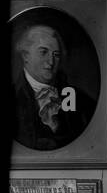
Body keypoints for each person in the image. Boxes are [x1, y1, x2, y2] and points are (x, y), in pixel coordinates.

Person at [12, 22, 97, 151]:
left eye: (56, 55)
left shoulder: (81, 100)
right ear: (25, 56)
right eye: (43, 52)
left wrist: (56, 127)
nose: (51, 62)